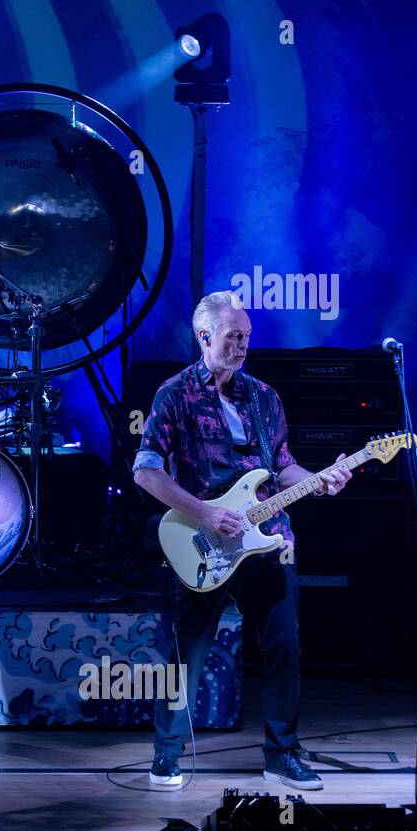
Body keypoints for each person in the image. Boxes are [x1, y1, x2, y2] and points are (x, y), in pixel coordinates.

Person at [132, 290, 351, 791]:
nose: (243, 346)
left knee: (284, 646)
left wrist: (320, 477)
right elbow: (146, 472)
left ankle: (282, 754)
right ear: (204, 337)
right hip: (204, 542)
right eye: (234, 337)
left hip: (269, 539)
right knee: (190, 648)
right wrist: (205, 512)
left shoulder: (264, 396)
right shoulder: (175, 394)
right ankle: (166, 754)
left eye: (247, 337)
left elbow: (281, 464)